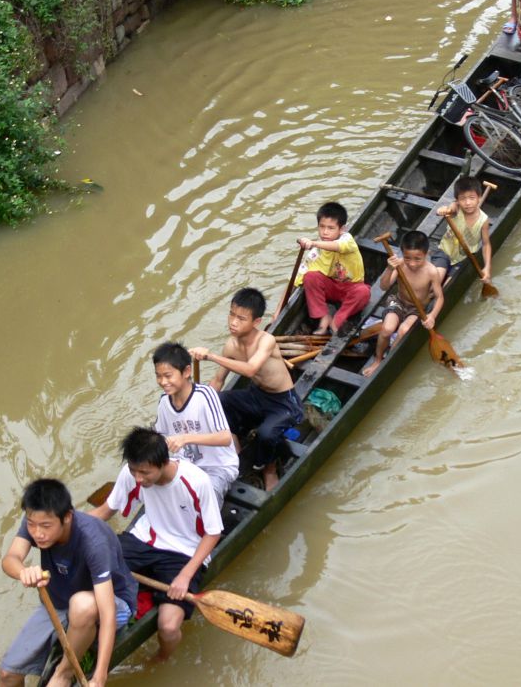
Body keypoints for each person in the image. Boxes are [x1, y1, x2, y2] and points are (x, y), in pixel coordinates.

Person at [92, 427, 223, 663]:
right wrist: (67, 529)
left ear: (163, 462)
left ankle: (160, 659)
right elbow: (105, 510)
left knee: (169, 626)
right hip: (143, 539)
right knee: (90, 570)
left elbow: (213, 534)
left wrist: (184, 576)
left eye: (145, 473)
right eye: (134, 471)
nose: (138, 479)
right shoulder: (131, 474)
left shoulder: (196, 481)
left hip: (183, 553)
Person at [0, 479, 137, 687]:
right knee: (7, 675)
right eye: (31, 525)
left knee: (82, 605)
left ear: (67, 517)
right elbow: (10, 559)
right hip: (59, 602)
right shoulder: (36, 521)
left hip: (110, 605)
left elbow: (107, 612)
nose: (38, 533)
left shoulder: (94, 541)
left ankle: (64, 673)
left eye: (46, 526)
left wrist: (100, 677)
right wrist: (23, 572)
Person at [190, 288, 299, 492]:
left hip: (282, 402)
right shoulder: (231, 345)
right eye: (231, 314)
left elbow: (250, 369)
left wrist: (210, 356)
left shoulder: (266, 340)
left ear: (256, 322)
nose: (233, 322)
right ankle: (236, 452)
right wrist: (200, 408)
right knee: (219, 402)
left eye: (241, 318)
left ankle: (269, 469)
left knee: (266, 435)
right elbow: (218, 380)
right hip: (256, 394)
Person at [151, 341, 238, 504]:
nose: (163, 382)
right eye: (158, 376)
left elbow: (225, 438)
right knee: (156, 493)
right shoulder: (164, 402)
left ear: (186, 371)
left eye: (168, 376)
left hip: (217, 468)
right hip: (185, 467)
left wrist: (185, 438)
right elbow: (160, 436)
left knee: (204, 500)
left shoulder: (206, 395)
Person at [362, 230, 444, 376]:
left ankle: (389, 358)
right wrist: (389, 269)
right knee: (387, 329)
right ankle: (378, 360)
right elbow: (384, 286)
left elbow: (439, 297)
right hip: (399, 301)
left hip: (417, 309)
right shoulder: (399, 264)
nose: (412, 263)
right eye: (408, 258)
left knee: (403, 330)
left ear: (426, 254)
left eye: (417, 259)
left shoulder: (431, 271)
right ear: (402, 254)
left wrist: (432, 316)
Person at [295, 201, 370, 335]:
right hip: (333, 287)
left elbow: (338, 246)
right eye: (322, 227)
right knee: (311, 277)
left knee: (363, 292)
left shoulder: (347, 240)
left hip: (351, 288)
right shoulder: (316, 251)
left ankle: (337, 321)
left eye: (331, 228)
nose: (325, 232)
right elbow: (298, 277)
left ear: (341, 229)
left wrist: (313, 243)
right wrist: (277, 314)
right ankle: (324, 317)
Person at [433, 177, 492, 282]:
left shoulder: (484, 220)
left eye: (472, 198)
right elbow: (448, 210)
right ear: (457, 200)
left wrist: (487, 267)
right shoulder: (456, 208)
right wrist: (441, 210)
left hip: (463, 258)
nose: (467, 202)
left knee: (448, 286)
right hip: (445, 251)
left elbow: (486, 244)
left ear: (479, 198)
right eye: (463, 199)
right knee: (436, 280)